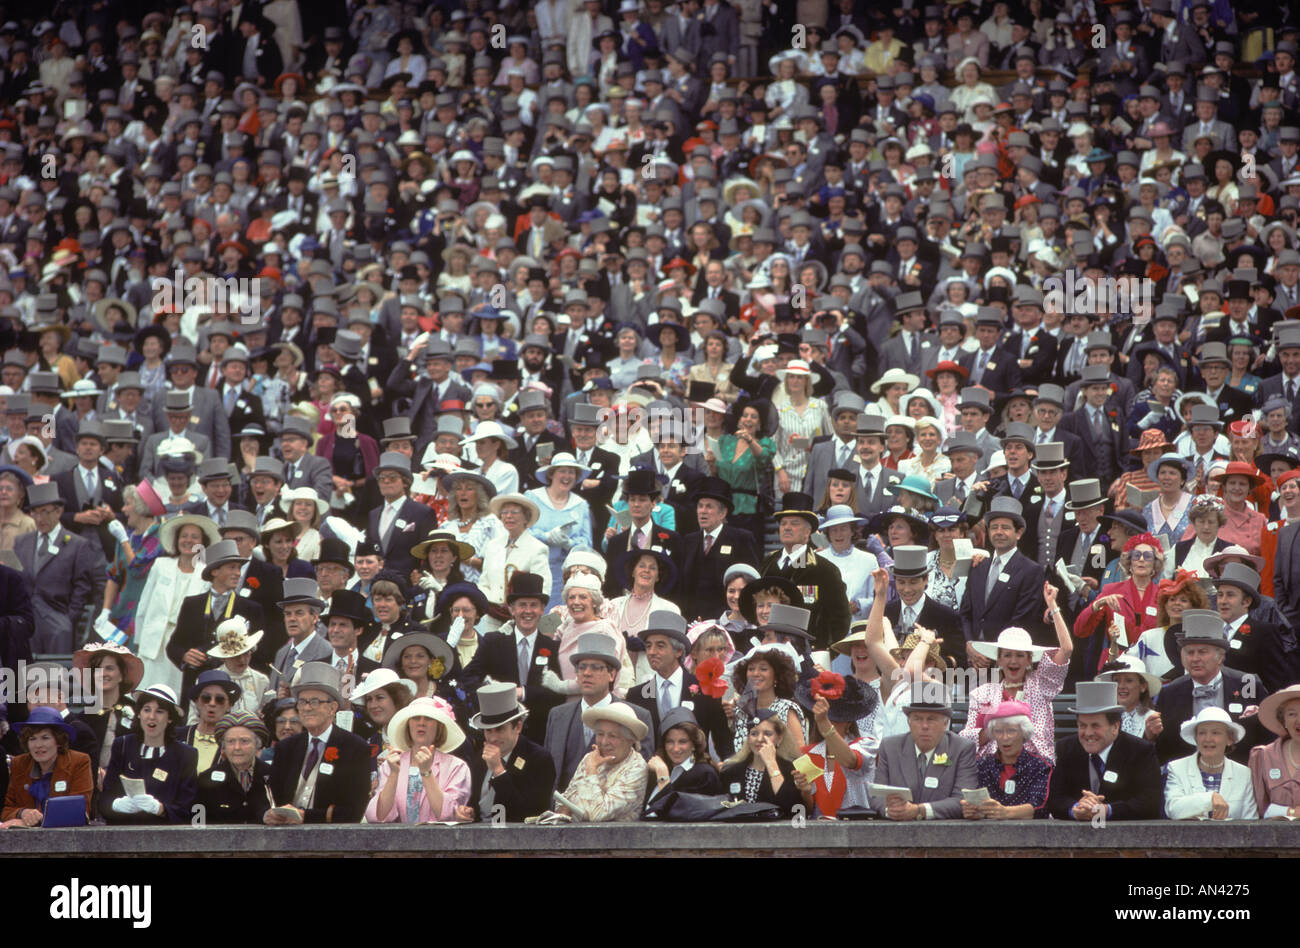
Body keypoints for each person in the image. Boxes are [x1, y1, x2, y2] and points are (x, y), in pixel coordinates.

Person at [962, 584, 1072, 761]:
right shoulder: (983, 694)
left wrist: (1052, 606)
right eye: (1007, 655)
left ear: (1029, 660)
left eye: (1020, 655)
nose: (1013, 661)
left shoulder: (1041, 685)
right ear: (999, 660)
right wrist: (993, 724)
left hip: (1035, 766)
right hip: (992, 767)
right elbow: (967, 739)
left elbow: (1066, 649)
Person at [1154, 610, 1271, 765]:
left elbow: (1269, 736)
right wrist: (1150, 735)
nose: (1195, 659)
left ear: (1220, 657)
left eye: (1202, 652)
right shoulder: (1170, 692)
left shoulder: (1247, 683)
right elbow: (1164, 747)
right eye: (1190, 652)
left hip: (1241, 772)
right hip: (1186, 777)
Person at [462, 572, 563, 744]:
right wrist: (494, 691)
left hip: (540, 734)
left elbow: (558, 693)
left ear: (542, 610)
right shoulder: (493, 642)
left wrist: (523, 692)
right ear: (512, 609)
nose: (528, 611)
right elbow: (468, 678)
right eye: (522, 605)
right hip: (499, 733)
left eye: (534, 605)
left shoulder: (553, 646)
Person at [265, 662, 372, 824]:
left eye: (315, 702)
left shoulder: (355, 748)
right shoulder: (286, 747)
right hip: (286, 837)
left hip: (334, 840)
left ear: (332, 708)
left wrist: (306, 817)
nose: (307, 708)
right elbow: (272, 795)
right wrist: (268, 814)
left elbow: (354, 811)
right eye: (302, 702)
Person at [545, 632, 653, 789]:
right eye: (582, 667)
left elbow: (642, 776)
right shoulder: (557, 715)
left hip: (611, 809)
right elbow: (548, 771)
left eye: (596, 667)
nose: (587, 673)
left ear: (612, 674)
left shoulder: (638, 716)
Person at [1045, 681, 1163, 821]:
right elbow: (1054, 798)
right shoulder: (1065, 748)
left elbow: (1150, 802)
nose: (1088, 733)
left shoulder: (1140, 751)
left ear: (1115, 727)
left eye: (1095, 726)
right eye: (1082, 726)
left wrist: (1106, 810)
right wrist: (1075, 809)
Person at [624, 611, 733, 755]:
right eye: (649, 646)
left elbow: (723, 742)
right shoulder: (636, 695)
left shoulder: (706, 689)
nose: (651, 652)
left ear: (679, 651)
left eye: (660, 646)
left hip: (696, 774)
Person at [135, 514, 220, 697]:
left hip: (181, 645)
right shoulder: (161, 565)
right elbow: (144, 605)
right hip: (153, 643)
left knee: (172, 697)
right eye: (184, 535)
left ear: (202, 543)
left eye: (194, 537)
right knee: (145, 695)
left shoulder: (206, 574)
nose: (188, 540)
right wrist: (140, 642)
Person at [872, 682, 978, 820]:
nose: (924, 726)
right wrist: (890, 810)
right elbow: (876, 796)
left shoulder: (962, 749)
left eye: (932, 719)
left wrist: (919, 811)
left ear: (945, 723)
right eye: (917, 719)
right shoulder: (890, 747)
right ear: (909, 722)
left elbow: (963, 800)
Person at [759, 491, 852, 649]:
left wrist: (824, 651)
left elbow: (840, 620)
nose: (787, 528)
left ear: (808, 532)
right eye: (783, 523)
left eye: (794, 523)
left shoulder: (824, 570)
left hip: (809, 655)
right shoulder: (768, 563)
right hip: (770, 650)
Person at [961, 497, 1046, 663]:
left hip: (1006, 662)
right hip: (973, 660)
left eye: (1005, 527)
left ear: (1019, 533)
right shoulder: (978, 566)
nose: (999, 532)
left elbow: (1022, 620)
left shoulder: (1031, 571)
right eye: (994, 527)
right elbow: (965, 612)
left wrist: (992, 653)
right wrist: (970, 645)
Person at [100, 684, 199, 824]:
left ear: (170, 718)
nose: (151, 717)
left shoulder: (186, 755)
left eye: (159, 711)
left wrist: (161, 809)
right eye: (146, 710)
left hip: (166, 839)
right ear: (139, 713)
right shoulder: (122, 745)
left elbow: (187, 809)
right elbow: (104, 800)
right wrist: (115, 805)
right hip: (124, 837)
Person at [460, 682, 556, 823]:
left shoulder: (539, 758)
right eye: (488, 730)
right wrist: (467, 812)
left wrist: (499, 771)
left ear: (517, 727)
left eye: (499, 729)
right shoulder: (480, 758)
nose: (492, 738)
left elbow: (531, 813)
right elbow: (476, 804)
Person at [366, 695, 471, 823]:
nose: (421, 723)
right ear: (408, 725)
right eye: (415, 718)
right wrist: (394, 775)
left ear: (439, 726)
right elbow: (376, 817)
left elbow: (449, 816)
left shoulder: (456, 766)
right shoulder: (391, 765)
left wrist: (426, 772)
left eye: (428, 718)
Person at [791, 672, 879, 818]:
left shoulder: (866, 745)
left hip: (859, 829)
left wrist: (825, 726)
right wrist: (805, 792)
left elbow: (850, 761)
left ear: (849, 721)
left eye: (836, 718)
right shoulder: (806, 754)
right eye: (826, 716)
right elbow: (809, 810)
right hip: (820, 833)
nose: (829, 721)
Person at [679, 476, 760, 621]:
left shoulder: (741, 539)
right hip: (692, 620)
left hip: (728, 620)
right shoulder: (688, 541)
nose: (703, 511)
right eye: (700, 506)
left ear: (722, 513)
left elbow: (752, 582)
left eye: (709, 506)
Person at [1, 707, 94, 827]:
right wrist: (22, 813)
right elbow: (6, 810)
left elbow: (80, 810)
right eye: (32, 739)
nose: (38, 745)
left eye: (45, 738)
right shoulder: (19, 764)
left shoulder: (79, 761)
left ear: (59, 740)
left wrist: (38, 820)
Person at [557, 703, 648, 822]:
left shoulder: (637, 768)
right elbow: (563, 805)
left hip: (615, 838)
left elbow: (597, 815)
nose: (604, 742)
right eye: (600, 734)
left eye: (613, 736)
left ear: (629, 739)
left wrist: (591, 771)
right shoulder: (590, 758)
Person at [962, 700, 1052, 820]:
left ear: (1024, 732)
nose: (1005, 737)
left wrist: (1006, 812)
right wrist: (971, 811)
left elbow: (1040, 807)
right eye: (999, 731)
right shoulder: (982, 766)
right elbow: (976, 804)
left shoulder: (1041, 765)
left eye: (1011, 731)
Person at [1164, 707, 1259, 821]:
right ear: (1196, 738)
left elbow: (1250, 822)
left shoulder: (1244, 773)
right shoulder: (1177, 768)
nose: (1208, 739)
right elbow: (1173, 809)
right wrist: (1209, 799)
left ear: (1229, 739)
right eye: (1202, 733)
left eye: (1216, 733)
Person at [526, 451, 595, 595]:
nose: (567, 476)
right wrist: (546, 536)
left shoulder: (581, 504)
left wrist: (569, 543)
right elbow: (522, 532)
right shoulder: (533, 497)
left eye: (571, 472)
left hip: (566, 576)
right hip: (533, 570)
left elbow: (587, 544)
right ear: (551, 474)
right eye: (562, 471)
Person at [719, 708, 803, 818]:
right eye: (754, 733)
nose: (759, 739)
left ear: (779, 738)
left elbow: (793, 809)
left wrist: (771, 763)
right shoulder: (731, 770)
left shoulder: (791, 769)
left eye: (767, 734)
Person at [194, 710, 274, 824]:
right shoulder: (205, 779)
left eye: (244, 741)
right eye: (231, 741)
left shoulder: (273, 775)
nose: (237, 747)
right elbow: (197, 826)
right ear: (223, 746)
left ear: (258, 744)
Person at [645, 706, 722, 807]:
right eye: (670, 742)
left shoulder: (705, 774)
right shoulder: (657, 768)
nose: (676, 748)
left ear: (694, 744)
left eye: (683, 742)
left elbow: (675, 810)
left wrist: (662, 773)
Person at [1248, 684, 1300, 820]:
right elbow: (1258, 810)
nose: (1299, 720)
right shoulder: (1264, 755)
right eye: (1292, 714)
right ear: (1283, 721)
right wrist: (1292, 812)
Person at [1097, 655, 1164, 742]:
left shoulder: (1152, 719)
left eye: (1128, 680)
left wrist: (1149, 738)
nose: (1121, 686)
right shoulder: (1103, 716)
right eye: (1116, 680)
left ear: (1143, 686)